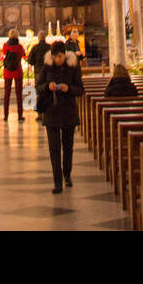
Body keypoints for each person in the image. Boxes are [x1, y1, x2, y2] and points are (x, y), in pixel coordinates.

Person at [35, 39, 84, 193]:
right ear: (52, 56)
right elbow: (38, 86)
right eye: (56, 56)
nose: (58, 59)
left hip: (68, 111)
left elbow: (80, 89)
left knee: (68, 147)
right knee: (54, 149)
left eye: (61, 56)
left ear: (65, 55)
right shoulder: (47, 66)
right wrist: (47, 87)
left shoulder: (73, 66)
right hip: (52, 111)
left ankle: (67, 174)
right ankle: (57, 181)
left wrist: (68, 88)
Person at [2, 29, 26, 122]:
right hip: (17, 71)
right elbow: (23, 54)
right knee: (19, 94)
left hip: (8, 72)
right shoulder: (19, 46)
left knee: (6, 94)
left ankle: (5, 116)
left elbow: (4, 52)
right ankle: (20, 116)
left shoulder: (5, 45)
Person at [25, 31, 49, 121]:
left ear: (38, 38)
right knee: (47, 91)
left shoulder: (35, 48)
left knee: (39, 92)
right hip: (48, 72)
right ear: (45, 37)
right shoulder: (49, 47)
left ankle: (40, 114)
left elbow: (30, 61)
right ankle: (48, 112)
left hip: (39, 72)